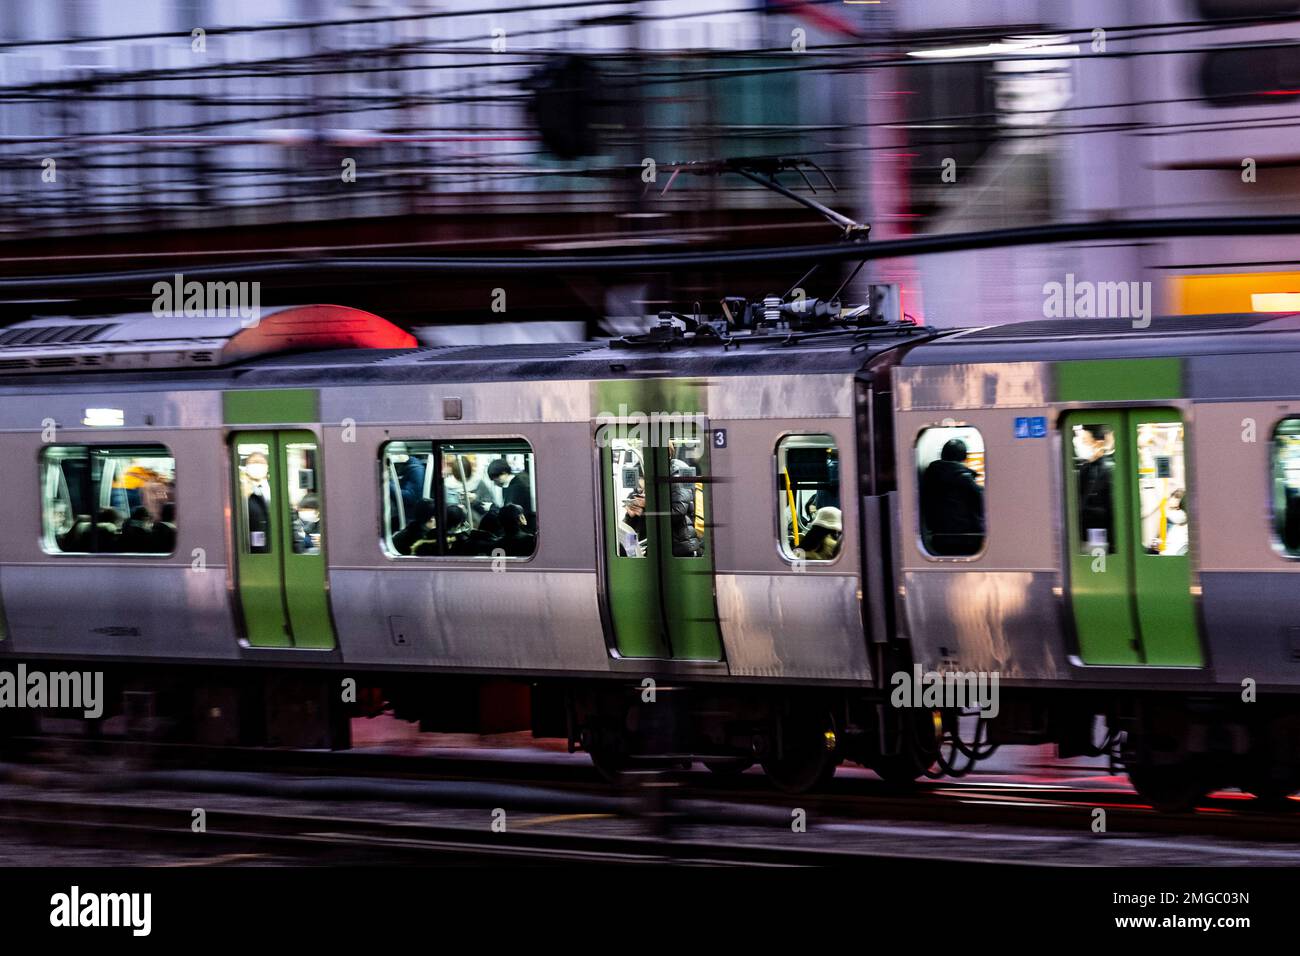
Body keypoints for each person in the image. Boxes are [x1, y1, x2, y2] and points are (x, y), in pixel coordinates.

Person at [920, 438, 985, 556]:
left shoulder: (930, 476)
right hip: (966, 539)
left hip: (937, 539)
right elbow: (983, 502)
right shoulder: (963, 477)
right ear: (963, 457)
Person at [1075, 425, 1114, 551]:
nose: (1081, 445)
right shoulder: (1084, 469)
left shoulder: (1110, 470)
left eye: (1085, 441)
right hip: (1085, 533)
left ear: (1098, 443)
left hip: (1103, 533)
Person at [668, 443, 703, 557]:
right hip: (674, 543)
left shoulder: (677, 473)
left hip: (681, 546)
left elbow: (679, 510)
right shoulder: (667, 473)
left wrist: (648, 506)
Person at [489, 459, 534, 530]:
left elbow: (510, 513)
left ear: (504, 473)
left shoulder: (516, 487)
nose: (495, 483)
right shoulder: (513, 484)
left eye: (495, 480)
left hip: (522, 529)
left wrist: (491, 507)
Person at [242, 451, 272, 554]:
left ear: (267, 467)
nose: (257, 465)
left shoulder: (276, 488)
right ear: (246, 468)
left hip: (274, 548)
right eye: (253, 462)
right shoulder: (240, 491)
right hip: (252, 551)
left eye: (261, 462)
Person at [617, 482, 648, 558]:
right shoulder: (633, 496)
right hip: (635, 536)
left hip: (646, 536)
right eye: (640, 488)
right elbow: (629, 528)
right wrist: (630, 515)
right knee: (632, 554)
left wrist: (643, 511)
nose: (642, 493)